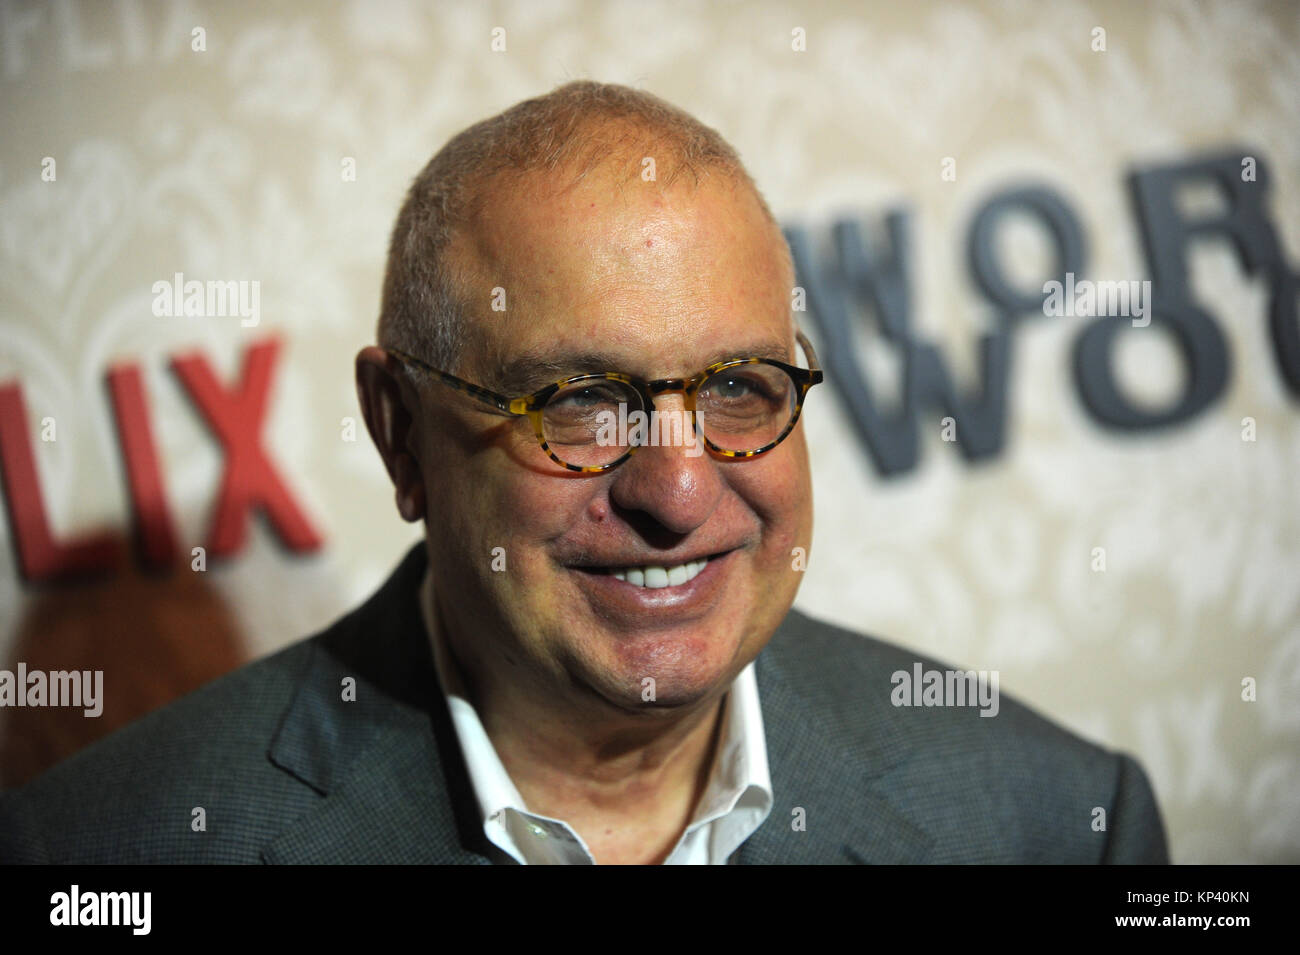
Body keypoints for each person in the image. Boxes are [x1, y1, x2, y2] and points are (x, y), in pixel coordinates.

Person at [0, 82, 1168, 864]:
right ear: (399, 433)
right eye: (578, 404)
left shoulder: (1056, 822)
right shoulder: (103, 852)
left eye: (738, 388)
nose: (676, 493)